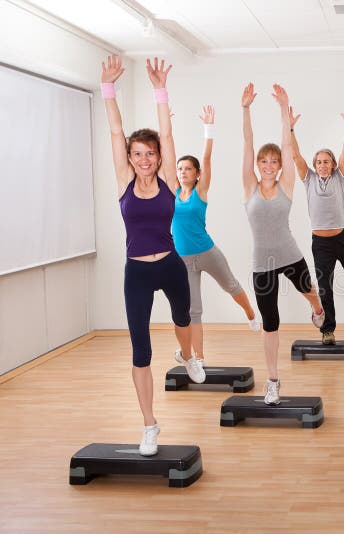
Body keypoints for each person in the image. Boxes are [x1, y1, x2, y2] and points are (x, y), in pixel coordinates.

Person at [101, 55, 205, 456]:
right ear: (130, 158)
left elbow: (166, 129)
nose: (144, 160)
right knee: (140, 350)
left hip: (171, 265)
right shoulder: (125, 181)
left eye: (150, 154)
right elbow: (115, 131)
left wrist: (160, 88)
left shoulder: (165, 181)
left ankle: (188, 355)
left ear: (160, 158)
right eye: (137, 154)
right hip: (137, 273)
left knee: (183, 318)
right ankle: (149, 424)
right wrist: (107, 88)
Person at [241, 82, 325, 405]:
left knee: (312, 294)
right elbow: (247, 145)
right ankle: (273, 379)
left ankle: (317, 310)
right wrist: (246, 110)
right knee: (270, 322)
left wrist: (283, 110)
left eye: (274, 162)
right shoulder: (248, 186)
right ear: (258, 166)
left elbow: (287, 149)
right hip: (261, 263)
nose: (269, 166)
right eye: (264, 162)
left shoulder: (287, 184)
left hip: (289, 254)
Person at [171, 105, 260, 367]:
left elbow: (207, 159)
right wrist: (168, 128)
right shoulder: (173, 193)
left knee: (231, 285)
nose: (183, 172)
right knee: (193, 311)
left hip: (207, 252)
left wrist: (208, 130)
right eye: (180, 169)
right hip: (183, 260)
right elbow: (167, 157)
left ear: (197, 174)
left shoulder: (201, 191)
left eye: (188, 169)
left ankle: (250, 313)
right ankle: (198, 359)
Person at [289, 102, 344, 346]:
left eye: (326, 161)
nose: (322, 165)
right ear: (315, 165)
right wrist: (290, 130)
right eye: (319, 161)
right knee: (325, 287)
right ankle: (327, 331)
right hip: (320, 242)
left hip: (342, 237)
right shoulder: (308, 179)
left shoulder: (340, 178)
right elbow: (295, 156)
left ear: (332, 164)